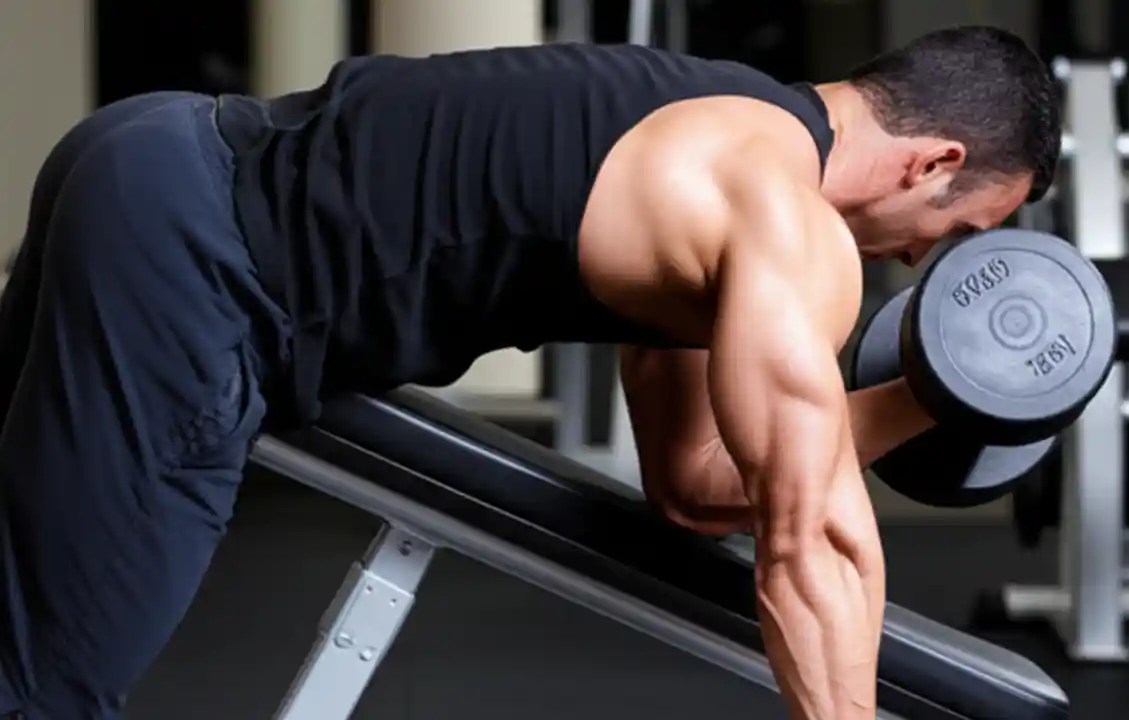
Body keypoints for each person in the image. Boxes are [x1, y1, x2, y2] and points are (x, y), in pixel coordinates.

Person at [0, 24, 1059, 720]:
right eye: (951, 228)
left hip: (147, 152)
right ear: (932, 164)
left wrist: (931, 396)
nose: (922, 260)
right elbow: (814, 537)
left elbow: (696, 485)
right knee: (52, 682)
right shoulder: (789, 228)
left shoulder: (725, 137)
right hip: (199, 260)